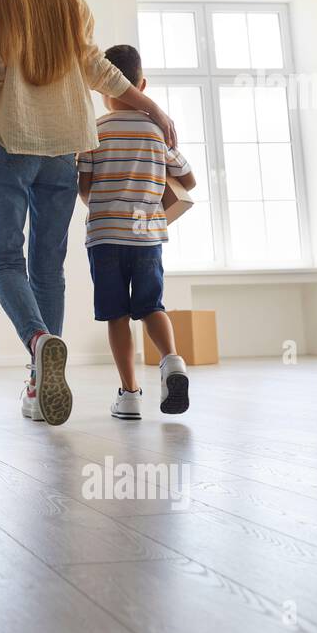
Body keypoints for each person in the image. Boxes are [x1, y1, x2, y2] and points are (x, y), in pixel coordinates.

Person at [0, 0, 176, 426]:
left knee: (4, 260)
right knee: (47, 267)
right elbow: (99, 68)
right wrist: (152, 107)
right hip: (62, 149)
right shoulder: (70, 2)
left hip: (6, 143)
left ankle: (38, 344)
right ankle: (39, 386)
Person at [78, 45, 195, 418]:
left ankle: (129, 395)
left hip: (105, 236)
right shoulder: (157, 130)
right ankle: (172, 361)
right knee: (150, 306)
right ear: (141, 84)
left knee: (116, 315)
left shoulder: (93, 131)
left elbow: (83, 186)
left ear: (102, 89)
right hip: (147, 235)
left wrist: (104, 203)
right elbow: (188, 180)